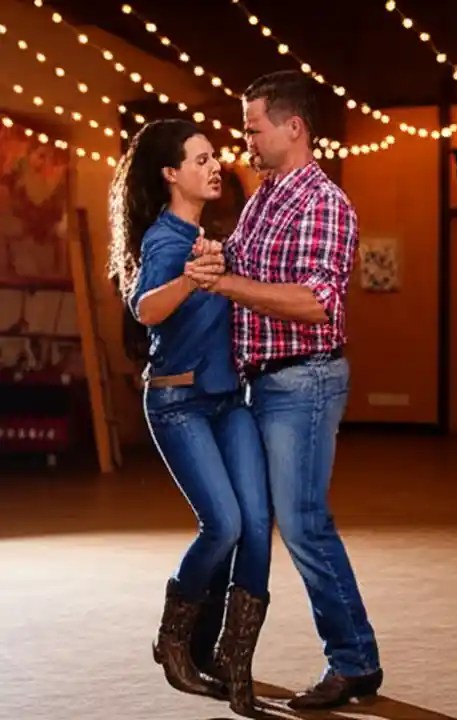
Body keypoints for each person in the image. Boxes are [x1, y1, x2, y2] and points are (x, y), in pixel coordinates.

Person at [185, 70, 382, 710]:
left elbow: (316, 304)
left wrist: (225, 285)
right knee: (250, 520)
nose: (245, 140)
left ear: (293, 128)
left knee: (302, 524)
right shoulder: (266, 196)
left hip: (305, 381)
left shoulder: (323, 202)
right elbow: (240, 266)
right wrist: (207, 259)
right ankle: (213, 648)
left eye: (253, 128)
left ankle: (354, 663)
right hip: (260, 383)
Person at [106, 118, 271, 716]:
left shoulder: (209, 239)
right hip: (178, 404)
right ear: (171, 174)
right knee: (223, 525)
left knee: (256, 525)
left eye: (214, 158)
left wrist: (218, 263)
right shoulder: (165, 240)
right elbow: (147, 308)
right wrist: (192, 277)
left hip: (230, 403)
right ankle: (173, 639)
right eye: (199, 160)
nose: (214, 167)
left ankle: (235, 659)